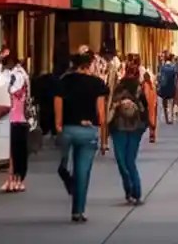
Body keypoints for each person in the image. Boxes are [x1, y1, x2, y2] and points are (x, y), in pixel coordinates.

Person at [54, 53, 109, 223]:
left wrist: (58, 124)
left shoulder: (64, 81)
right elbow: (101, 113)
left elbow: (58, 101)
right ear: (89, 65)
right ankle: (78, 211)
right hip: (88, 130)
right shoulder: (97, 84)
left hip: (68, 129)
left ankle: (66, 175)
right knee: (83, 171)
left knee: (64, 162)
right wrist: (103, 137)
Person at [110, 58, 152, 205]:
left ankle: (133, 190)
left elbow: (146, 107)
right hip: (128, 127)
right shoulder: (119, 86)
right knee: (127, 160)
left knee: (124, 160)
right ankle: (133, 190)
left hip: (126, 127)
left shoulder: (137, 88)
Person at [3, 54, 30, 193]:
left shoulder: (17, 76)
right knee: (18, 151)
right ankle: (16, 179)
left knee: (16, 151)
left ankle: (17, 179)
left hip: (17, 118)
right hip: (20, 118)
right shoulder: (22, 75)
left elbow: (11, 90)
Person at [156, 52, 178, 125]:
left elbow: (159, 76)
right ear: (171, 59)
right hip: (172, 87)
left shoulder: (162, 67)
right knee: (172, 102)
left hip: (164, 87)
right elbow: (176, 78)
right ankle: (172, 117)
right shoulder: (174, 67)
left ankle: (167, 119)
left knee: (165, 103)